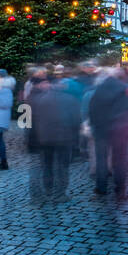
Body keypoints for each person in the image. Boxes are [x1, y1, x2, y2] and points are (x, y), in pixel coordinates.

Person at [28, 70, 81, 203]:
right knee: (62, 167)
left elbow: (32, 119)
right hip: (64, 138)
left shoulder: (40, 99)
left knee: (47, 165)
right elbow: (76, 121)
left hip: (45, 138)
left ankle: (48, 190)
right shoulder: (70, 99)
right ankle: (59, 194)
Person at [88, 67, 128, 197]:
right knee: (120, 160)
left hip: (102, 130)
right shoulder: (124, 89)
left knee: (101, 160)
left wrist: (94, 125)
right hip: (120, 130)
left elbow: (92, 110)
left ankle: (101, 188)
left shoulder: (99, 90)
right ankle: (120, 189)